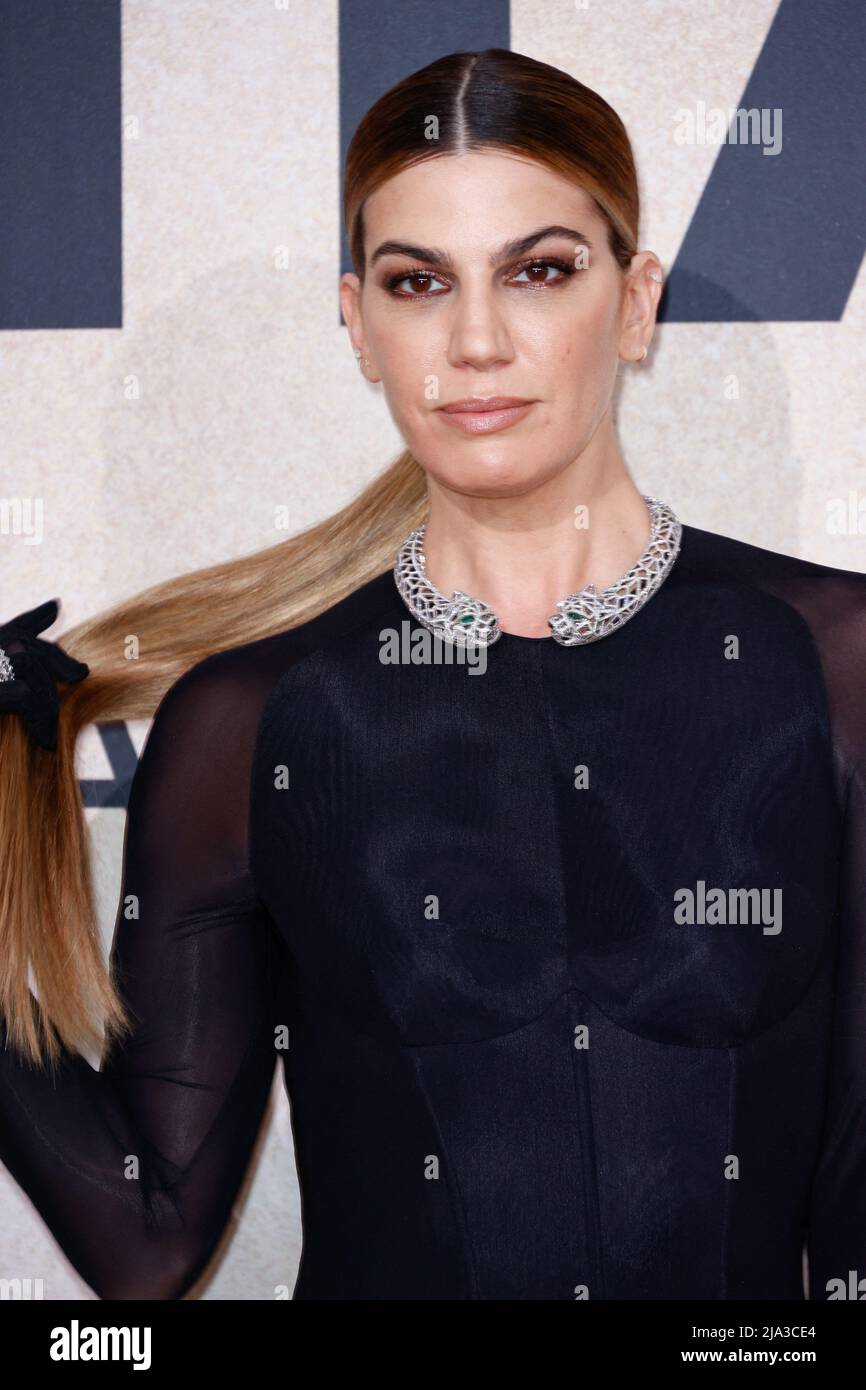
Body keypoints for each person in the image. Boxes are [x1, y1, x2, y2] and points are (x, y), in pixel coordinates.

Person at [1, 47, 864, 1302]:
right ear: (358, 324)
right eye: (419, 283)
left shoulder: (833, 666)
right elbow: (149, 1240)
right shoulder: (249, 723)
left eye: (539, 271)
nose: (473, 340)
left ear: (633, 302)